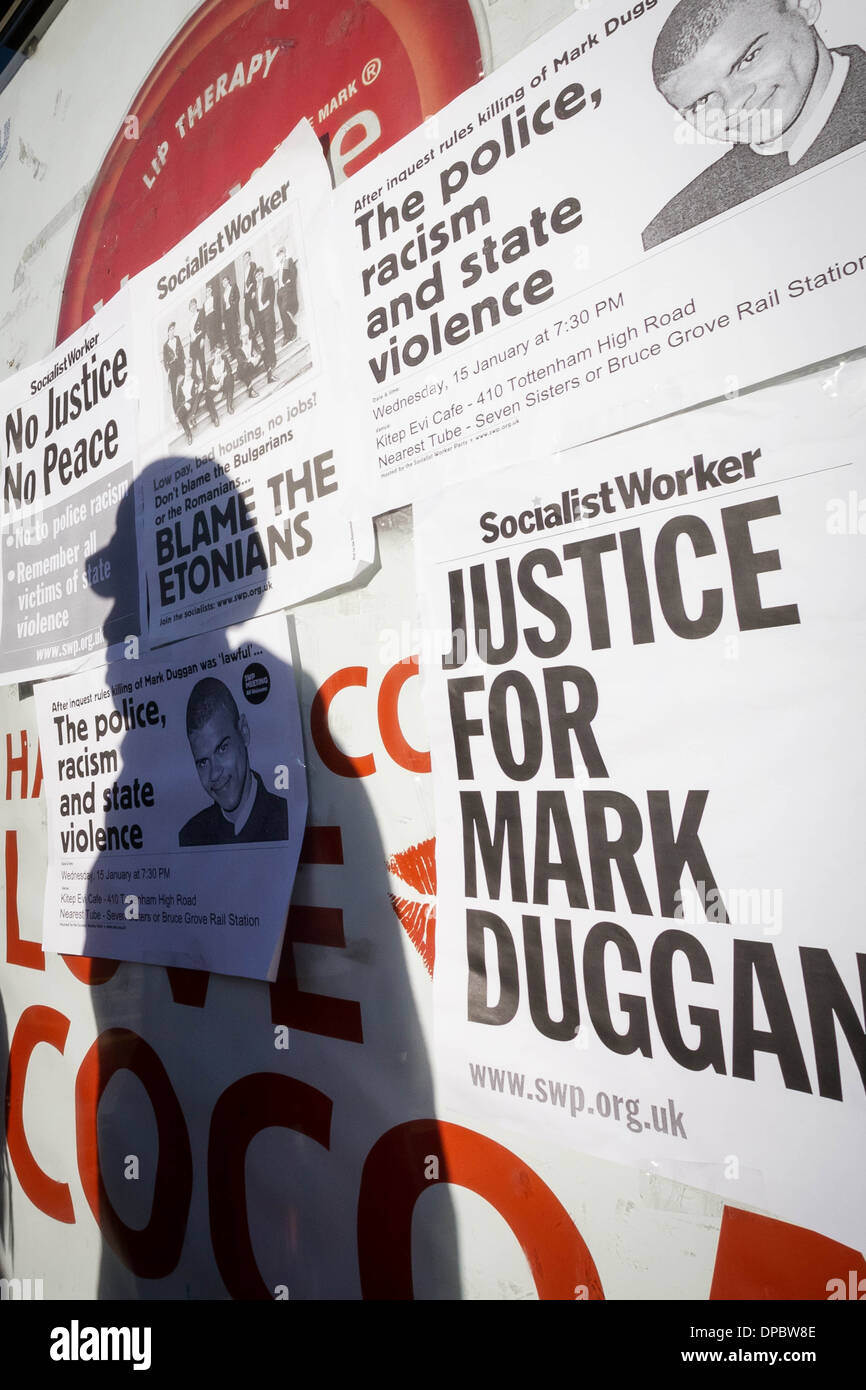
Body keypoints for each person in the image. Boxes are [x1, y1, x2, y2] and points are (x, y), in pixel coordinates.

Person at [642, 0, 866, 250]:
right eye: (702, 101)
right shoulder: (676, 229)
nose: (734, 105)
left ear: (804, 7)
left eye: (748, 59)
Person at [179, 678, 289, 846]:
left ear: (244, 732)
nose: (214, 773)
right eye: (203, 763)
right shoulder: (190, 836)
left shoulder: (286, 819)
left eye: (222, 748)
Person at [253, 265, 278, 380]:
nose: (258, 277)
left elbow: (272, 294)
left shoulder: (268, 280)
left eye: (259, 274)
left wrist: (269, 305)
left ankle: (273, 360)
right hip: (261, 316)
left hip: (268, 312)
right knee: (264, 339)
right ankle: (269, 360)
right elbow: (256, 305)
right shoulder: (256, 289)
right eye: (256, 275)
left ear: (262, 273)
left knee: (269, 336)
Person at [275, 247, 299, 344]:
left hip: (287, 289)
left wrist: (289, 282)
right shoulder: (279, 267)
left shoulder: (288, 261)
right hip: (280, 291)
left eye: (280, 254)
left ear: (284, 253)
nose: (279, 257)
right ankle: (287, 335)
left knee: (284, 309)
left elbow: (294, 273)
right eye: (278, 255)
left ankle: (293, 328)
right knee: (282, 313)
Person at [206, 345, 235, 417]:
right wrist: (213, 387)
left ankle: (229, 406)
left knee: (230, 378)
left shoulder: (224, 359)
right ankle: (215, 417)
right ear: (213, 355)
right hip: (217, 386)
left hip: (225, 384)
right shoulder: (210, 366)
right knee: (207, 397)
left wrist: (223, 376)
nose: (219, 355)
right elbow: (208, 383)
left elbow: (229, 370)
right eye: (217, 353)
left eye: (219, 352)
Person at [162, 322, 185, 410]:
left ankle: (183, 402)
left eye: (173, 329)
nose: (172, 331)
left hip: (180, 364)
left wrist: (184, 360)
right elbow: (165, 360)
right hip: (172, 367)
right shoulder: (165, 346)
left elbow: (181, 350)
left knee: (182, 383)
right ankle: (175, 409)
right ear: (168, 332)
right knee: (173, 388)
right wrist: (168, 369)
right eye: (170, 329)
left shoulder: (177, 338)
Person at [188, 297, 207, 384]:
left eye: (193, 305)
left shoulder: (200, 313)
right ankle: (198, 382)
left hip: (199, 339)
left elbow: (203, 326)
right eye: (190, 306)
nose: (192, 307)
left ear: (196, 305)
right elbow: (191, 334)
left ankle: (205, 380)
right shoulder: (190, 319)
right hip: (192, 344)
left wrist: (203, 338)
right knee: (193, 367)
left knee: (202, 361)